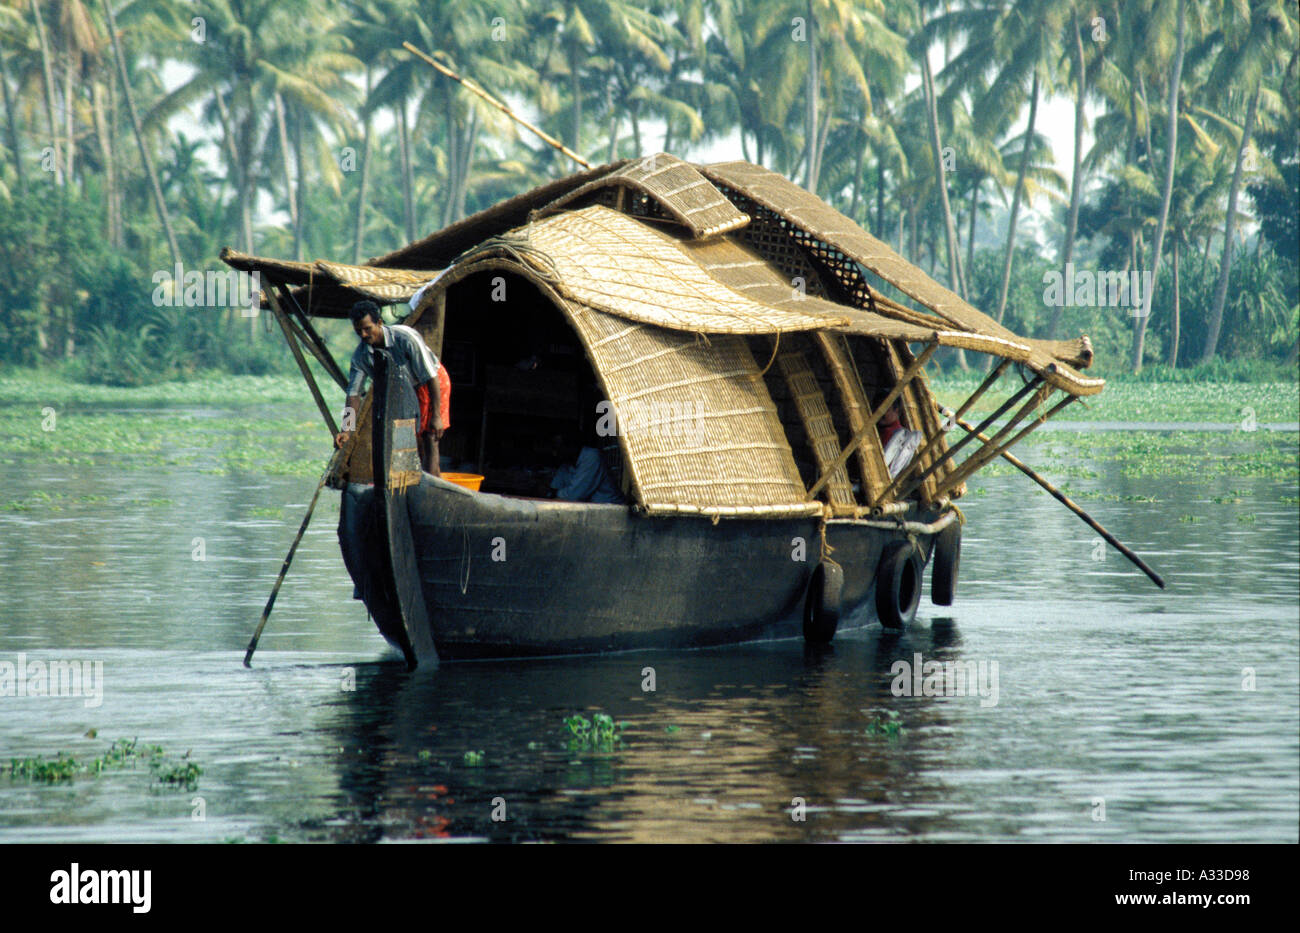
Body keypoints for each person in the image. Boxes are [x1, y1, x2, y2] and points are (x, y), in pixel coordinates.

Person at [334, 300, 450, 476]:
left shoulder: (405, 338)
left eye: (367, 329)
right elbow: (353, 395)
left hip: (430, 383)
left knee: (430, 436)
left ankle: (433, 488)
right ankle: (407, 483)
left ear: (380, 323)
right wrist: (346, 430)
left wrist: (436, 416)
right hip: (404, 390)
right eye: (359, 331)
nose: (364, 335)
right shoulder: (361, 356)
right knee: (405, 437)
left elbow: (431, 376)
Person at [550, 436, 625, 504]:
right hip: (592, 510)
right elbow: (553, 489)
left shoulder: (592, 456)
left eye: (559, 448)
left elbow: (574, 496)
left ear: (570, 446)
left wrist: (555, 492)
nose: (555, 454)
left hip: (612, 508)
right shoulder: (565, 465)